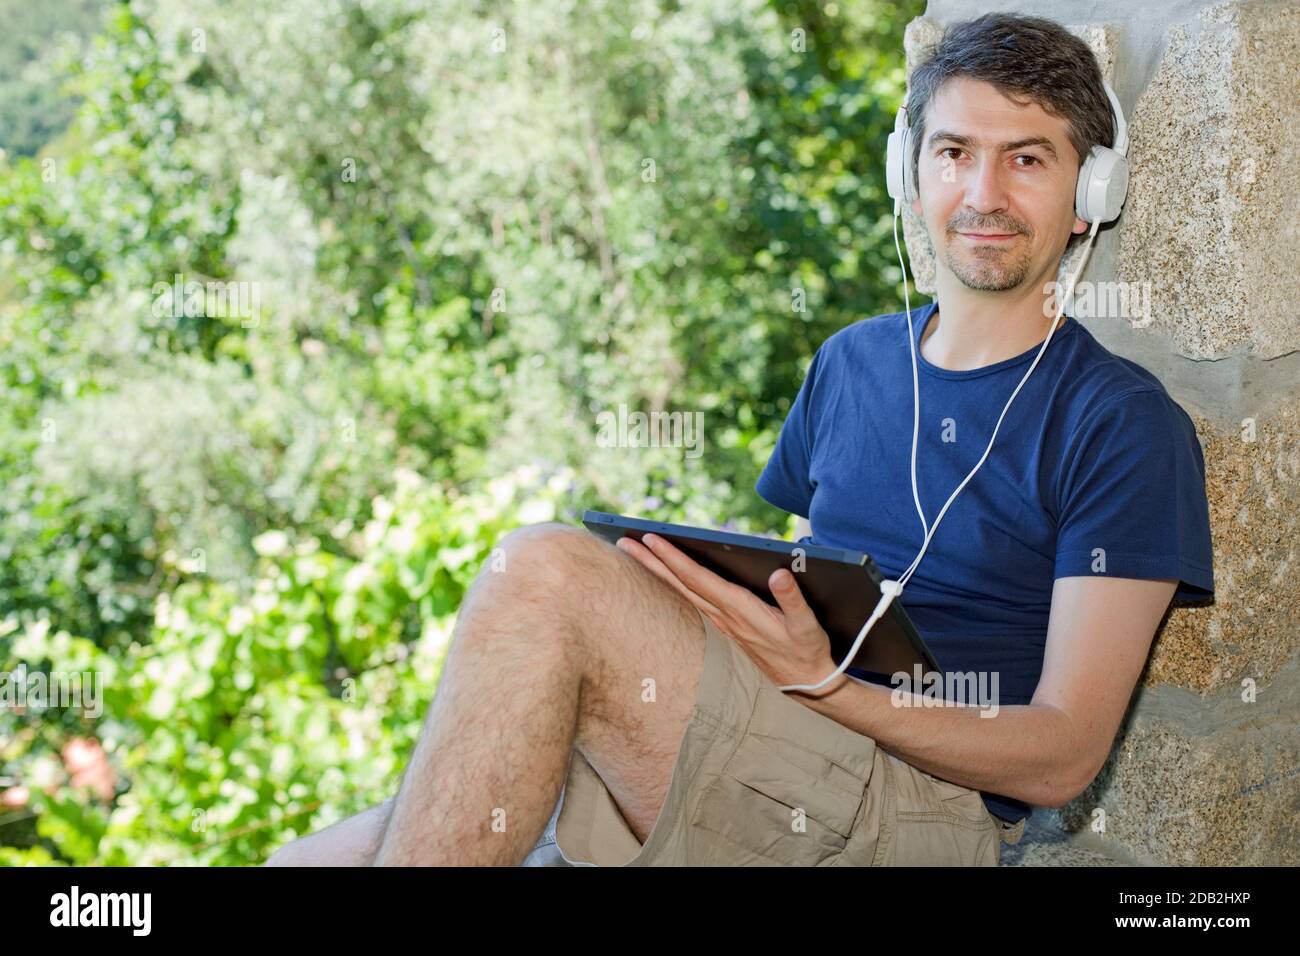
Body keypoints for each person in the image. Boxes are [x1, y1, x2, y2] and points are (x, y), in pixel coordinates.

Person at [266, 12, 1214, 867]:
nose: (983, 191)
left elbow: (1062, 755)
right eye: (956, 151)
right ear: (911, 171)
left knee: (543, 573)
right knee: (307, 864)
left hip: (930, 811)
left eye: (1028, 159)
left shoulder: (1123, 423)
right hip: (786, 744)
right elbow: (808, 582)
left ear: (1089, 191)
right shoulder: (850, 364)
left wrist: (829, 688)